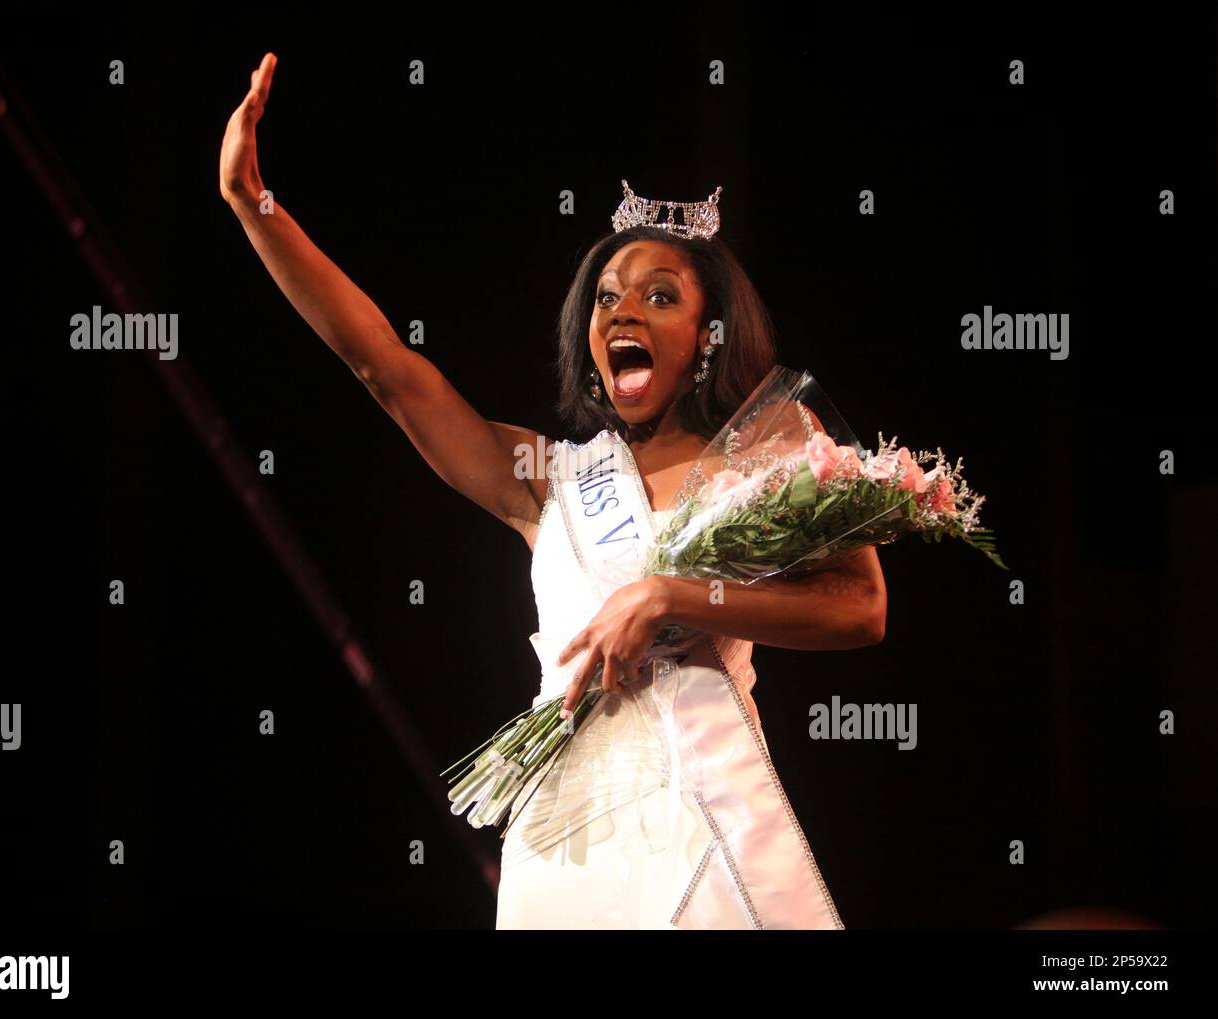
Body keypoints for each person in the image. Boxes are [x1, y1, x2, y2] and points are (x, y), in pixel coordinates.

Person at [220, 53, 887, 929]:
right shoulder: (548, 483)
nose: (623, 314)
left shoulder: (767, 453)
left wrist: (674, 597)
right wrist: (252, 204)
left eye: (659, 295)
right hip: (568, 843)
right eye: (607, 298)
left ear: (711, 334)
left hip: (705, 820)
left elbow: (862, 608)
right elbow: (384, 365)